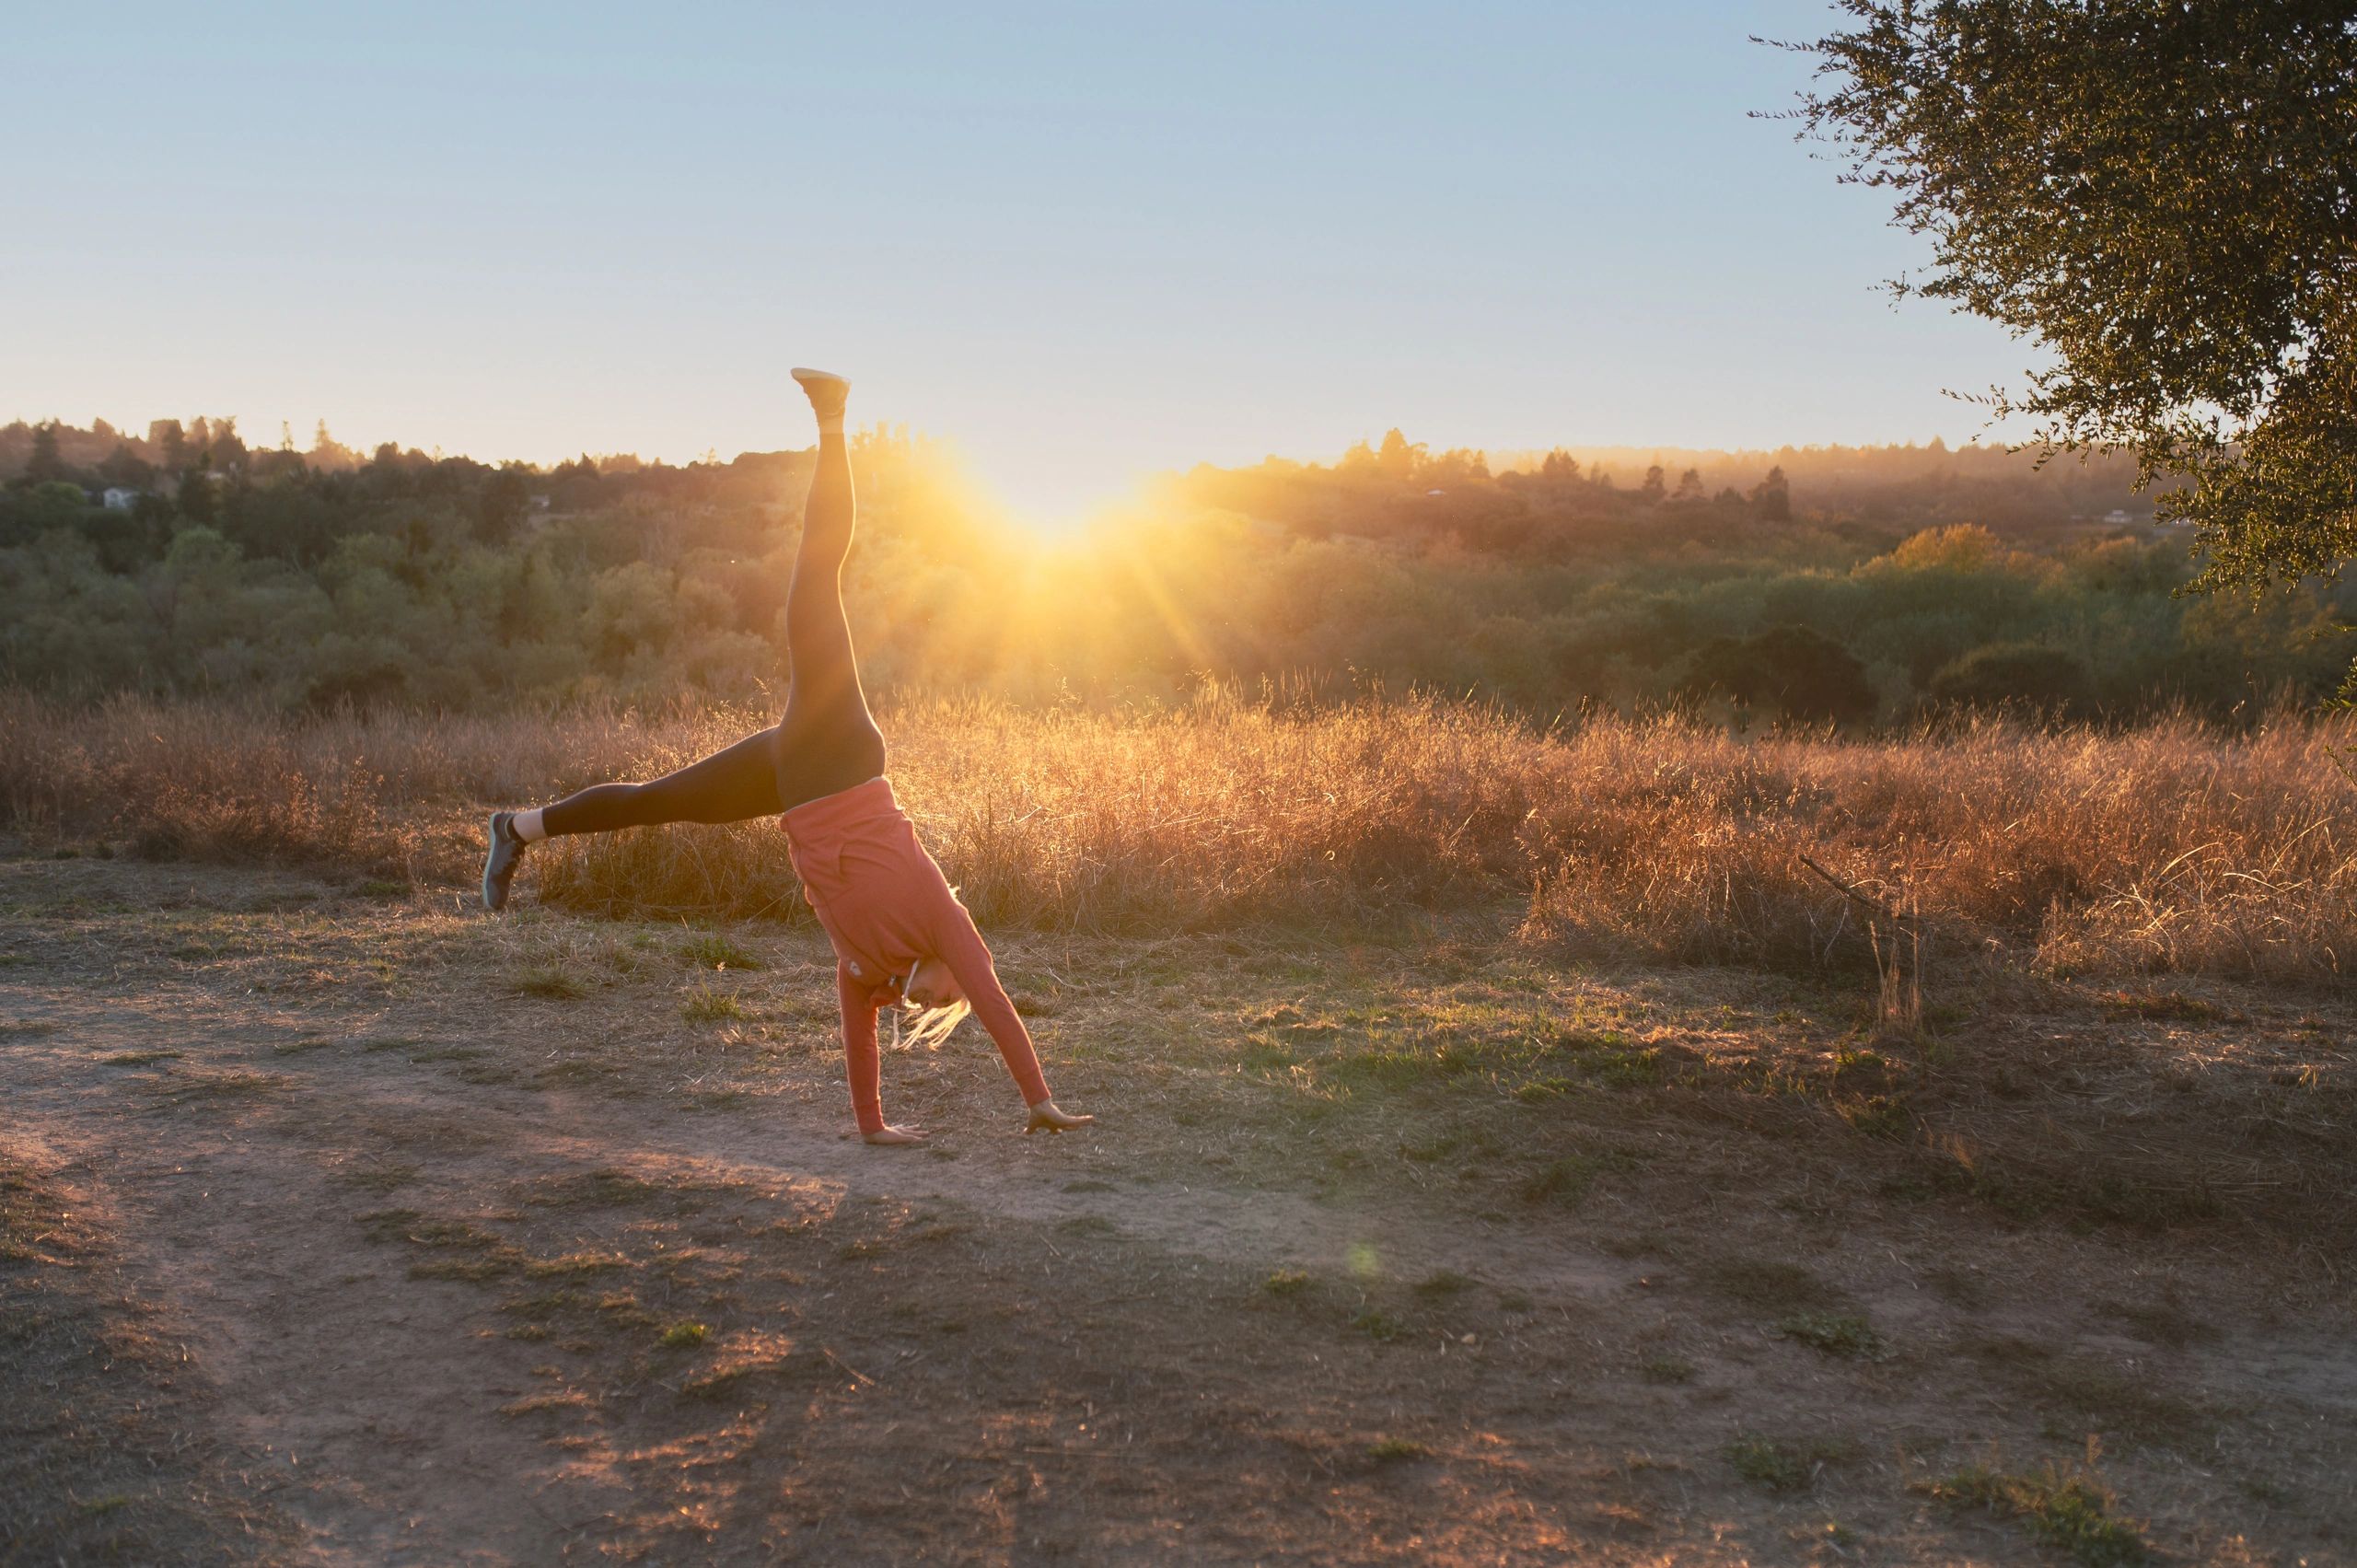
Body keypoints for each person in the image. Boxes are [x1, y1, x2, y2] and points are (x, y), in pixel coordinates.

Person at [480, 368, 1091, 1145]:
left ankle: (517, 828)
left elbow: (858, 1040)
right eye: (946, 996)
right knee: (815, 577)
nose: (929, 1000)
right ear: (955, 975)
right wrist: (1039, 1100)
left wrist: (873, 1127)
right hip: (838, 755)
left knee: (654, 802)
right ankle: (834, 417)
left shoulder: (866, 971)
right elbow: (997, 1002)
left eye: (928, 1007)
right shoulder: (946, 921)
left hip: (793, 778)